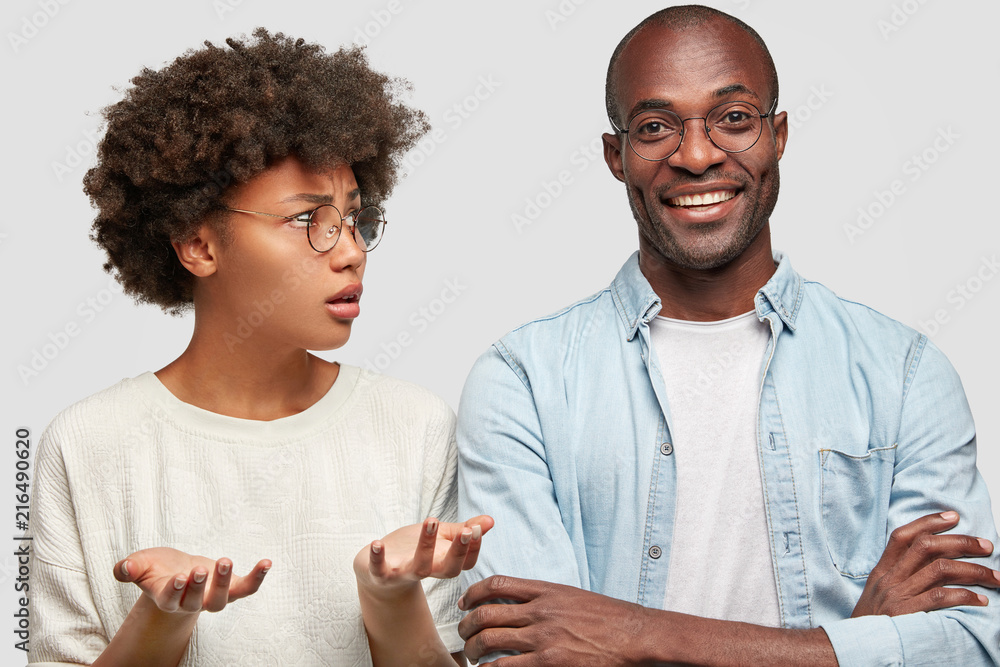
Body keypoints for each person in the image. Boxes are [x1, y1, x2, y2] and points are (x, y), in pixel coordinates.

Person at [456, 6, 1000, 665]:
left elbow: (969, 645)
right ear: (615, 155)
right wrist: (855, 642)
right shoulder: (523, 381)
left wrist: (633, 634)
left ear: (778, 135)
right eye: (655, 127)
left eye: (733, 119)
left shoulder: (904, 371)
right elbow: (528, 656)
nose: (696, 155)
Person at [28, 29, 492, 666]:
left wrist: (389, 597)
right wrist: (161, 622)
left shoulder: (414, 427)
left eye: (354, 218)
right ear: (198, 244)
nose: (352, 250)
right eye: (308, 221)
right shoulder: (86, 444)